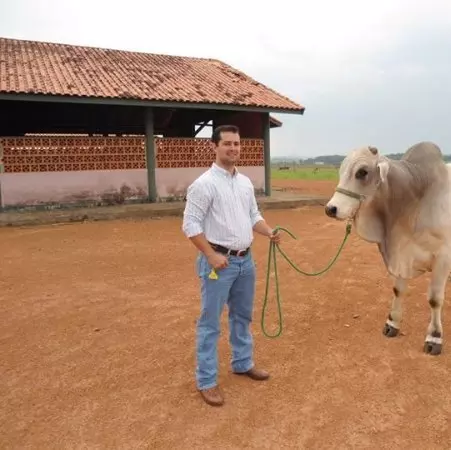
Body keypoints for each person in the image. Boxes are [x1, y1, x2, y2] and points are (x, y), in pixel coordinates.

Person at [182, 124, 281, 407]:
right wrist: (211, 255)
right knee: (210, 323)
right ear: (214, 146)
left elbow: (253, 215)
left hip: (244, 262)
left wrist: (270, 232)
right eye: (227, 143)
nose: (233, 148)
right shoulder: (203, 185)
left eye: (237, 144)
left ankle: (242, 363)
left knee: (242, 317)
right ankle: (207, 380)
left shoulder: (245, 182)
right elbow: (190, 224)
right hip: (218, 263)